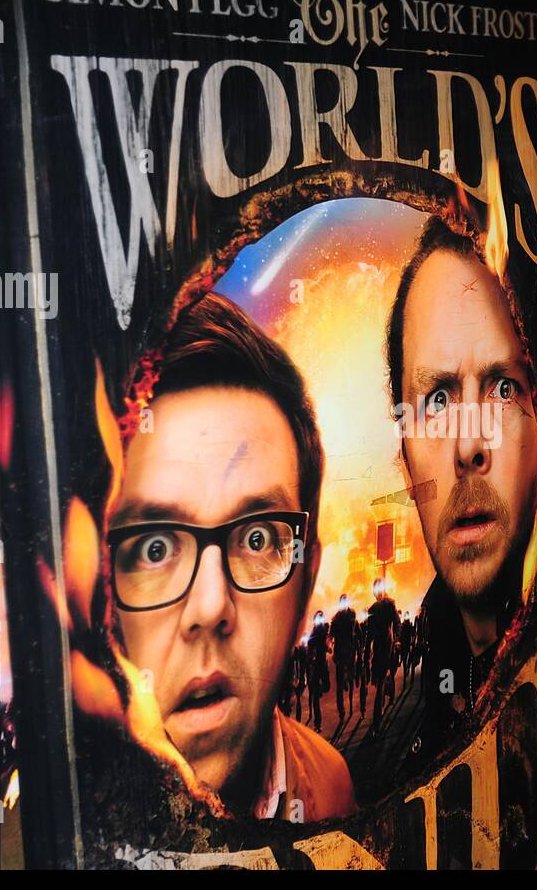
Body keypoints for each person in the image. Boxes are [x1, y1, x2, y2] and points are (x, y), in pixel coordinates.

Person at [107, 290, 355, 823]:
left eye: (259, 538)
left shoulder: (331, 788)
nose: (211, 607)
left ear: (306, 580)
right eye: (155, 547)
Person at [385, 216, 537, 771]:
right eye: (437, 400)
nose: (468, 445)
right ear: (405, 461)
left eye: (504, 389)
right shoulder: (406, 730)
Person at [366, 578, 398, 733]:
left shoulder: (390, 605)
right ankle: (377, 719)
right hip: (378, 649)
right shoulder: (372, 609)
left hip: (389, 646)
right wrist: (366, 656)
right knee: (379, 683)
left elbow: (396, 624)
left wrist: (397, 641)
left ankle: (377, 720)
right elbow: (369, 635)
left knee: (386, 678)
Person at [331, 594, 357, 719]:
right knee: (339, 684)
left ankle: (351, 705)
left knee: (350, 680)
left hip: (350, 653)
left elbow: (357, 633)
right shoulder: (336, 619)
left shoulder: (352, 616)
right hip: (340, 655)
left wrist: (360, 650)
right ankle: (341, 711)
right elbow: (331, 635)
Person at [307, 611, 330, 729]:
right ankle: (318, 723)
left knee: (327, 687)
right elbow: (309, 643)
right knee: (315, 697)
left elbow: (328, 646)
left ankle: (319, 690)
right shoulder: (314, 632)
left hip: (323, 665)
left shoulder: (326, 629)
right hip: (316, 666)